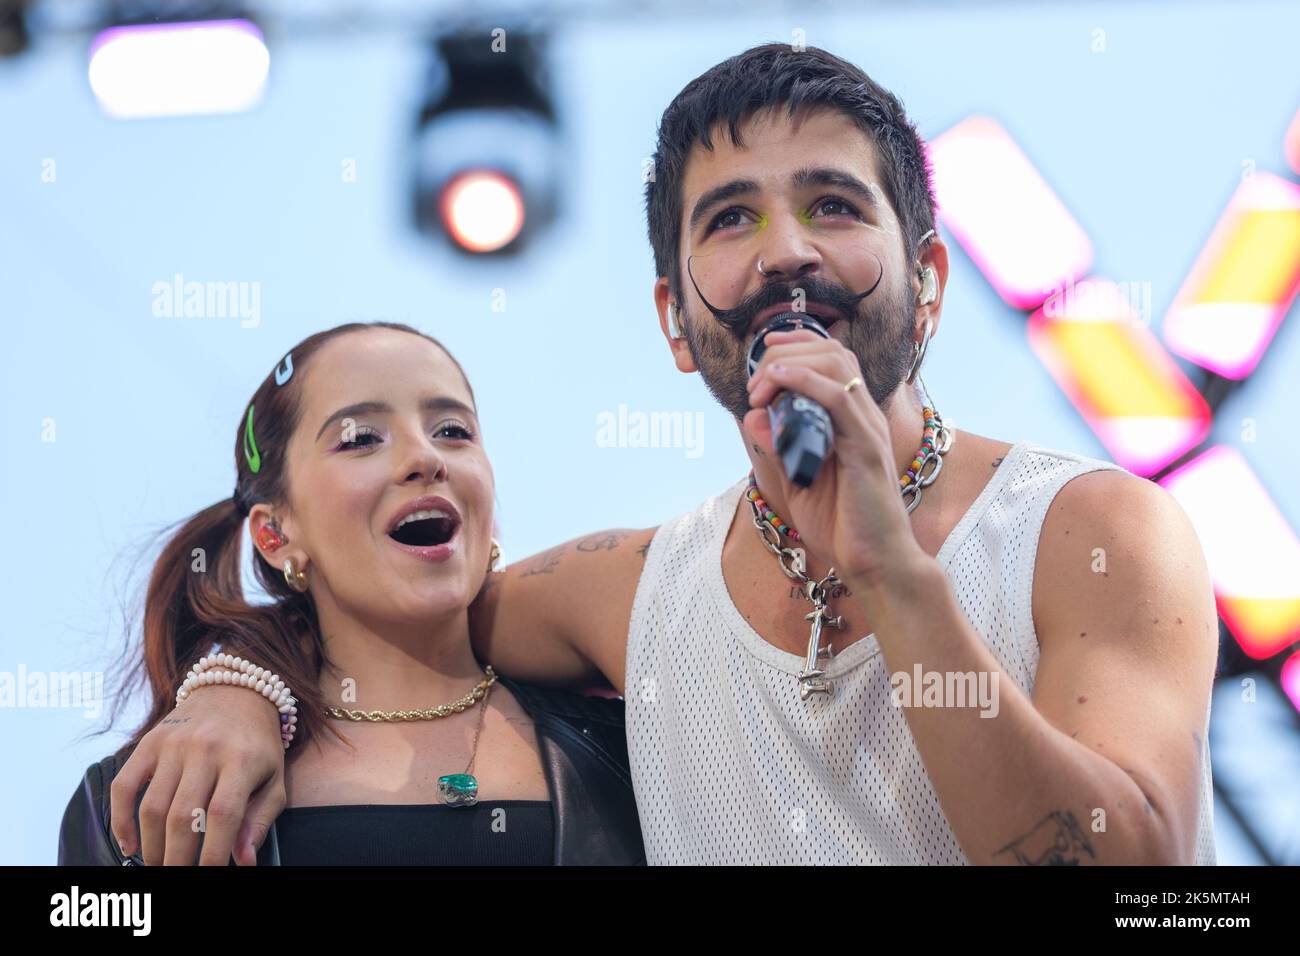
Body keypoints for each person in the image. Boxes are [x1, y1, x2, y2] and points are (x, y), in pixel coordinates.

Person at [102, 43, 1219, 865]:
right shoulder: (626, 591)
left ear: (926, 277)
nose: (785, 253)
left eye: (831, 204)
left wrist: (894, 574)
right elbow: (384, 606)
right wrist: (238, 688)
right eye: (728, 220)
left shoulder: (1088, 533)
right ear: (676, 322)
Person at [57, 321, 644, 865]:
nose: (425, 458)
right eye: (361, 438)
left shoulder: (630, 748)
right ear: (274, 534)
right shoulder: (151, 799)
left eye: (453, 431)